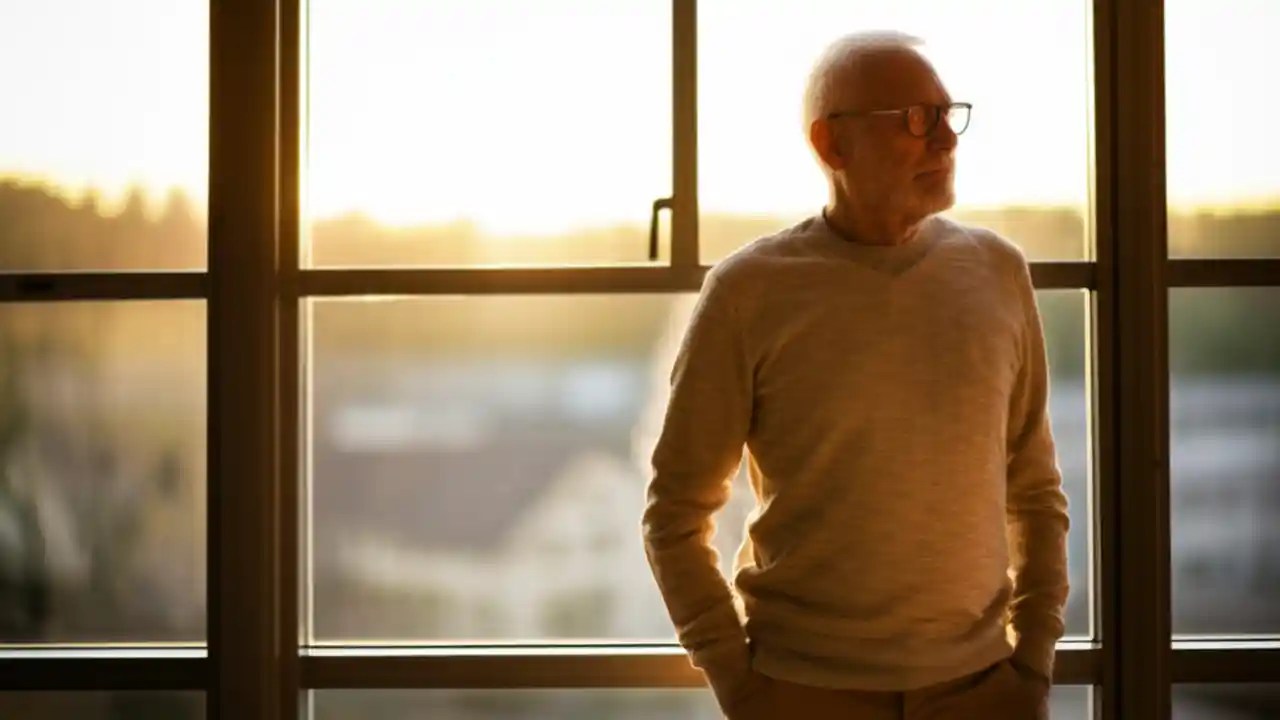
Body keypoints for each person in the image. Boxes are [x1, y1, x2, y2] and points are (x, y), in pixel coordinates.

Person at [641, 31, 1070, 720]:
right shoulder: (748, 291)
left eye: (947, 113)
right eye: (914, 119)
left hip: (985, 692)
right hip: (802, 694)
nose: (946, 141)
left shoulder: (997, 272)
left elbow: (1036, 489)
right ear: (832, 146)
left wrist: (1033, 664)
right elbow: (674, 515)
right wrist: (742, 689)